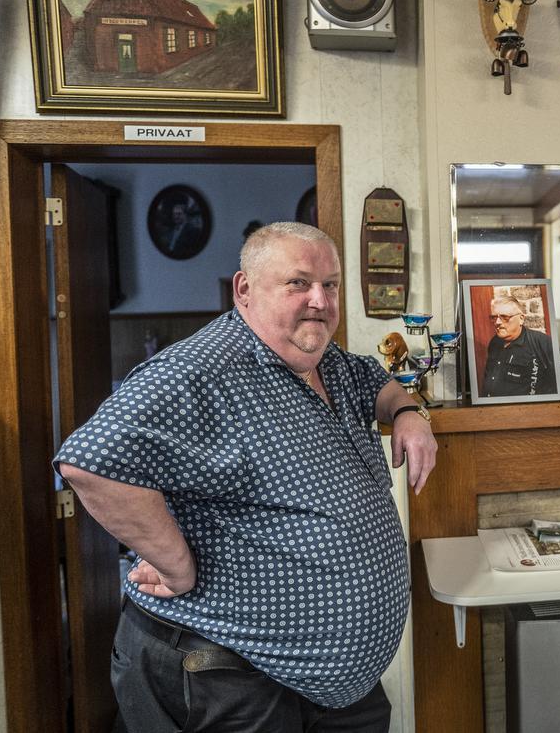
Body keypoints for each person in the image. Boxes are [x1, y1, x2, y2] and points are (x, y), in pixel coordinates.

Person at [54, 222, 438, 732]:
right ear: (245, 289)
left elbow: (376, 378)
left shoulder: (324, 358)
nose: (320, 300)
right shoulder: (201, 368)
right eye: (298, 283)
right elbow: (90, 461)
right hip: (228, 672)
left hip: (327, 684)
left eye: (330, 284)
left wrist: (409, 411)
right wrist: (177, 570)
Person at [481, 295, 558, 396]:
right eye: (494, 317)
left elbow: (556, 385)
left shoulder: (542, 343)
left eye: (505, 317)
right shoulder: (494, 342)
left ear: (521, 319)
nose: (497, 322)